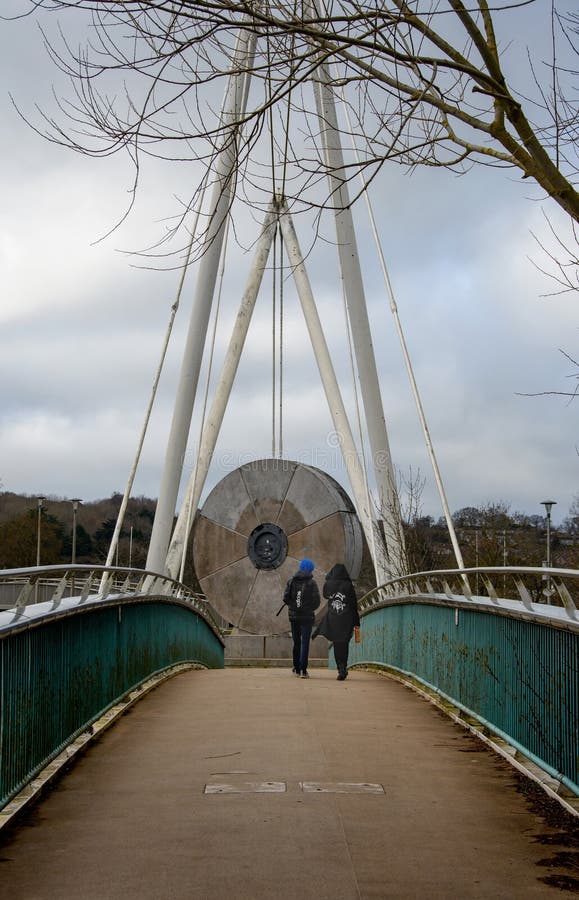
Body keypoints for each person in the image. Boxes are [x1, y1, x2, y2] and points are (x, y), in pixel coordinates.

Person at [319, 563, 360, 681]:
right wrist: (356, 621)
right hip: (347, 619)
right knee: (344, 643)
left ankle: (340, 668)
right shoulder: (348, 585)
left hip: (334, 618)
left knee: (336, 643)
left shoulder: (329, 584)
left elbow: (325, 595)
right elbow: (353, 604)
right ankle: (344, 666)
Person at [283, 558, 320, 678]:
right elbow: (317, 601)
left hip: (294, 617)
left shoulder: (291, 581)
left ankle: (297, 668)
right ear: (310, 569)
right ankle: (303, 670)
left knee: (296, 642)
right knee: (305, 643)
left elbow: (285, 598)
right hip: (307, 617)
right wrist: (309, 608)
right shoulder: (312, 583)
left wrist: (293, 606)